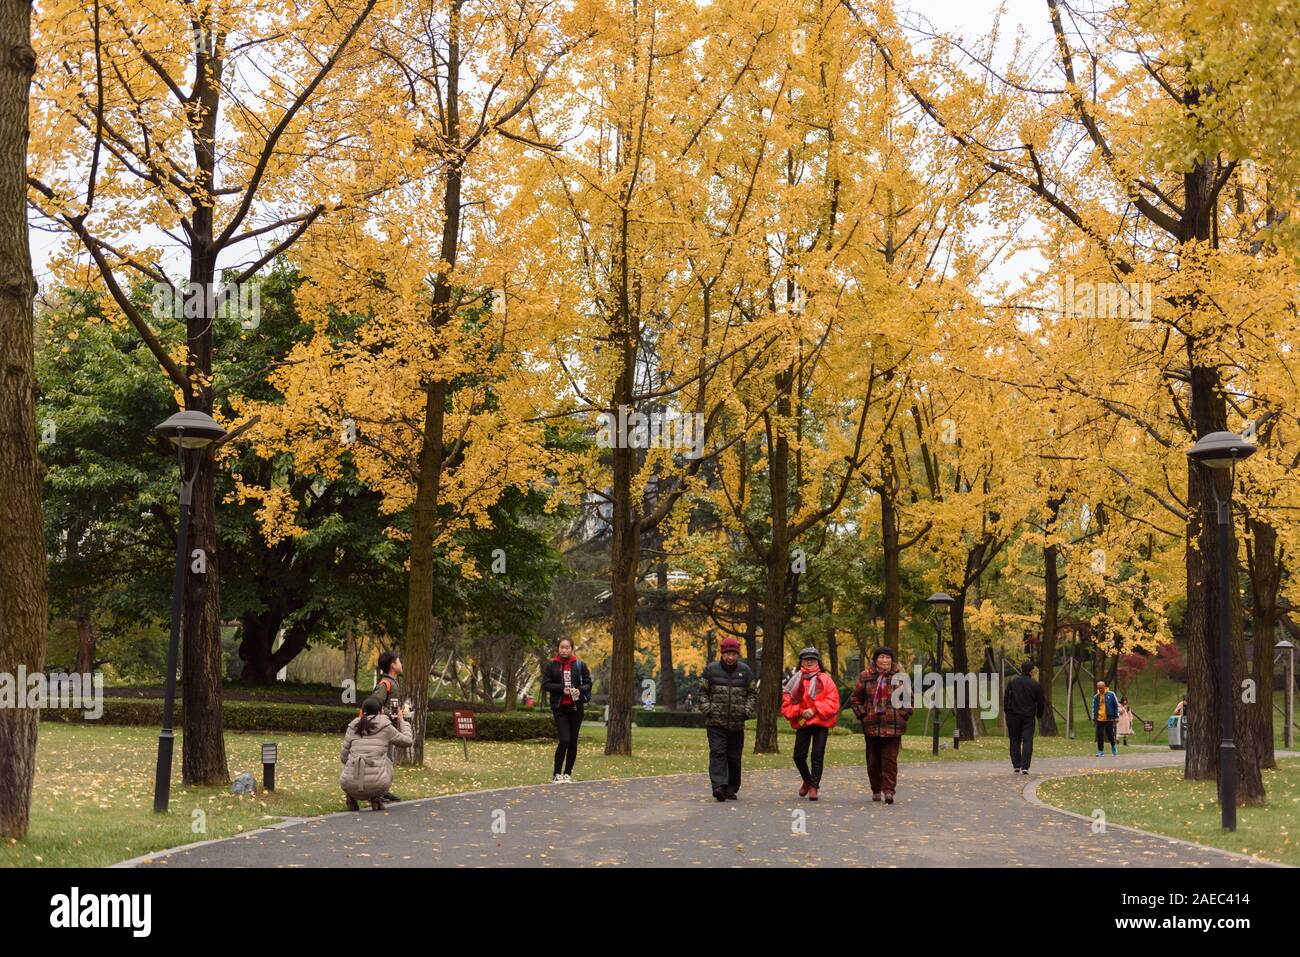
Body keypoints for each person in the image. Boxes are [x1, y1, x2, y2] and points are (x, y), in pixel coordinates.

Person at [850, 647, 912, 805]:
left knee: (890, 761)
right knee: (873, 761)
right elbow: (856, 698)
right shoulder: (865, 676)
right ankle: (876, 789)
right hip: (872, 726)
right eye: (881, 657)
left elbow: (909, 699)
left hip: (893, 726)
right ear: (876, 659)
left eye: (887, 657)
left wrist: (903, 715)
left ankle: (889, 791)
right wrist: (863, 715)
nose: (885, 660)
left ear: (892, 660)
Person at [698, 637, 757, 801]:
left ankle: (731, 787)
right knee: (718, 753)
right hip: (715, 723)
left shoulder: (745, 671)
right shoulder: (711, 670)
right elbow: (703, 692)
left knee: (734, 757)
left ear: (737, 654)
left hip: (737, 723)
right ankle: (718, 786)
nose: (730, 657)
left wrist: (746, 711)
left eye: (733, 654)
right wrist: (708, 709)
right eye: (727, 654)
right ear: (722, 654)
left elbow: (752, 694)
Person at [781, 647, 840, 800]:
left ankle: (814, 786)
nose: (809, 662)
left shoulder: (826, 679)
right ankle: (807, 779)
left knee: (817, 755)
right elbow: (786, 702)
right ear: (801, 661)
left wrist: (814, 710)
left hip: (821, 722)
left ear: (817, 661)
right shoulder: (795, 680)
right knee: (798, 756)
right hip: (803, 722)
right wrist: (800, 711)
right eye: (806, 659)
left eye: (812, 659)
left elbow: (833, 702)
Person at [341, 696, 414, 811]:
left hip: (348, 784)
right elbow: (408, 741)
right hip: (377, 785)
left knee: (351, 761)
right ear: (380, 711)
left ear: (362, 711)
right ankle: (376, 797)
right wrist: (402, 722)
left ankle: (351, 796)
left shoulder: (352, 726)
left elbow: (344, 758)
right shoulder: (386, 727)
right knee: (387, 762)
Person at [540, 638, 592, 783]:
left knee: (573, 742)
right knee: (564, 740)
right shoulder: (551, 665)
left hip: (576, 708)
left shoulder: (580, 665)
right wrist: (562, 689)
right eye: (561, 647)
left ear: (572, 649)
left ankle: (567, 773)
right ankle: (556, 774)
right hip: (559, 708)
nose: (564, 650)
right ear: (558, 649)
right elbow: (545, 684)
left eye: (567, 647)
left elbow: (588, 683)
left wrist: (579, 690)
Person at [371, 651, 404, 802]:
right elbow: (374, 705)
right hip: (382, 729)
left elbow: (392, 706)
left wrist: (399, 713)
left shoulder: (394, 682)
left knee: (388, 761)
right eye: (399, 661)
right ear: (393, 665)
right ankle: (378, 792)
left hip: (390, 728)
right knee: (383, 760)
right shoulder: (385, 684)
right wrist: (392, 713)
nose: (401, 664)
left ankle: (383, 790)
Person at [1003, 659, 1045, 774]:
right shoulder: (1035, 685)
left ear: (1021, 669)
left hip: (1013, 715)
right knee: (1027, 740)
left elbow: (1006, 698)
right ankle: (1025, 766)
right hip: (1028, 716)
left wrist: (1007, 711)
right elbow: (1040, 701)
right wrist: (1039, 714)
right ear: (1031, 671)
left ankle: (1016, 764)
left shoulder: (1012, 682)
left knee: (1014, 739)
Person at [1093, 680, 1120, 756]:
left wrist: (1116, 716)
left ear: (1104, 687)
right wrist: (1094, 718)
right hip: (1099, 719)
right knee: (1099, 735)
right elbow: (1094, 708)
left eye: (1101, 688)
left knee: (1110, 734)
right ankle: (1100, 751)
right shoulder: (1096, 697)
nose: (1100, 690)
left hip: (1109, 718)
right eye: (1098, 688)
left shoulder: (1111, 694)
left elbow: (1116, 706)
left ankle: (1113, 746)